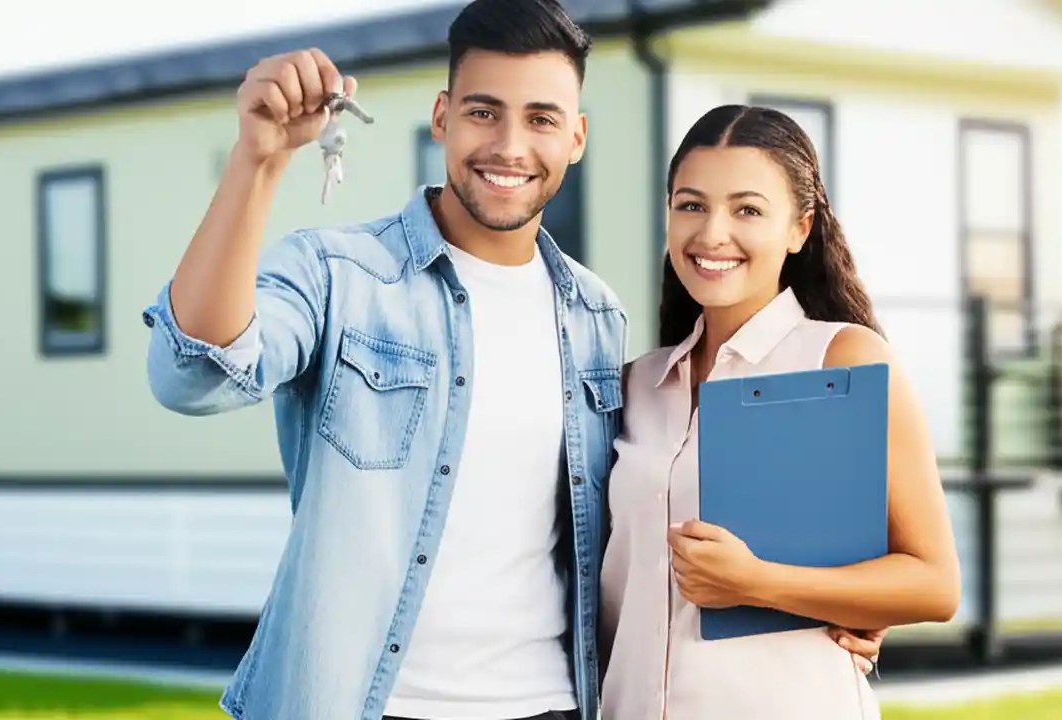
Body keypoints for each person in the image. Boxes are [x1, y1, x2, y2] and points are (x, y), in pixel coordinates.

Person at [142, 0, 882, 716]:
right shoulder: (341, 275)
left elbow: (639, 522)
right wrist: (259, 162)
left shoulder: (595, 317)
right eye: (484, 111)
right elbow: (195, 373)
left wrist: (822, 598)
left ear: (577, 139)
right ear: (442, 117)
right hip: (360, 704)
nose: (510, 146)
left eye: (541, 120)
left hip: (547, 706)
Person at [598, 104, 962, 719]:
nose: (713, 233)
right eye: (691, 205)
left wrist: (756, 583)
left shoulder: (841, 359)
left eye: (747, 210)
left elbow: (933, 582)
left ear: (799, 228)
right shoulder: (636, 385)